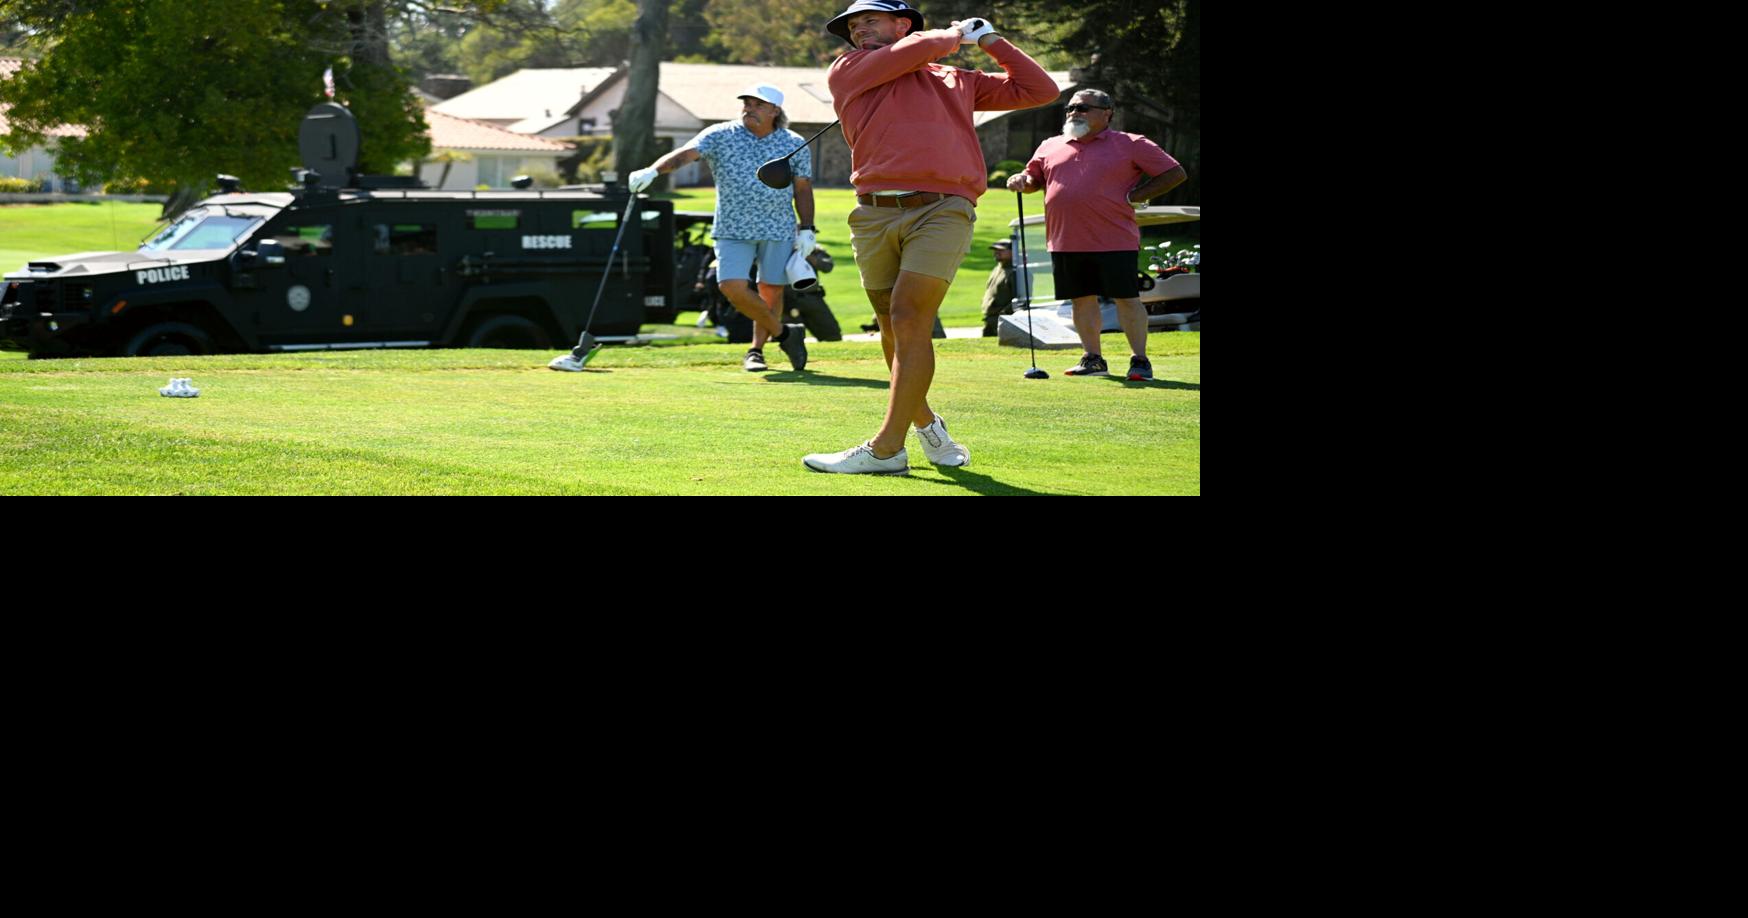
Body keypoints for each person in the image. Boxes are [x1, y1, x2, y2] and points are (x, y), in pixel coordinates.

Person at [801, 1, 1058, 475]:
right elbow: (921, 47)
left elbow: (1040, 89)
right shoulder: (850, 69)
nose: (859, 32)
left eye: (869, 22)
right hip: (874, 213)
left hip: (943, 208)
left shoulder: (955, 79)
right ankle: (929, 429)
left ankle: (885, 450)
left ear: (903, 24)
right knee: (891, 324)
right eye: (853, 27)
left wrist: (991, 41)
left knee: (907, 314)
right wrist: (958, 31)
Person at [558, 83, 812, 373]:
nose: (749, 109)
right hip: (732, 226)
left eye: (758, 105)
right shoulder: (720, 135)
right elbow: (684, 155)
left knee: (771, 290)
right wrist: (653, 171)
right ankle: (786, 334)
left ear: (774, 111)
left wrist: (807, 228)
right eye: (747, 103)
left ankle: (756, 351)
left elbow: (803, 188)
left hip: (777, 226)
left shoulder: (794, 143)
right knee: (731, 286)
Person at [1007, 88, 1187, 380]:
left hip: (1114, 238)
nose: (1074, 112)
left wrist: (1136, 196)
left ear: (1107, 113)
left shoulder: (1130, 143)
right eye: (1070, 108)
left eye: (1083, 108)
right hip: (1065, 239)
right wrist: (1022, 180)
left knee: (1126, 298)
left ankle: (1140, 360)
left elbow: (1174, 173)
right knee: (1080, 299)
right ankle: (1093, 358)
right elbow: (1033, 180)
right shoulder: (1050, 145)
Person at [979, 238, 1017, 337]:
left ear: (1013, 251)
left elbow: (1020, 300)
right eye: (995, 250)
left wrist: (1004, 314)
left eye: (1001, 250)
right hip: (989, 319)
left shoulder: (1016, 272)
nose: (996, 252)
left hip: (1004, 321)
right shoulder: (997, 268)